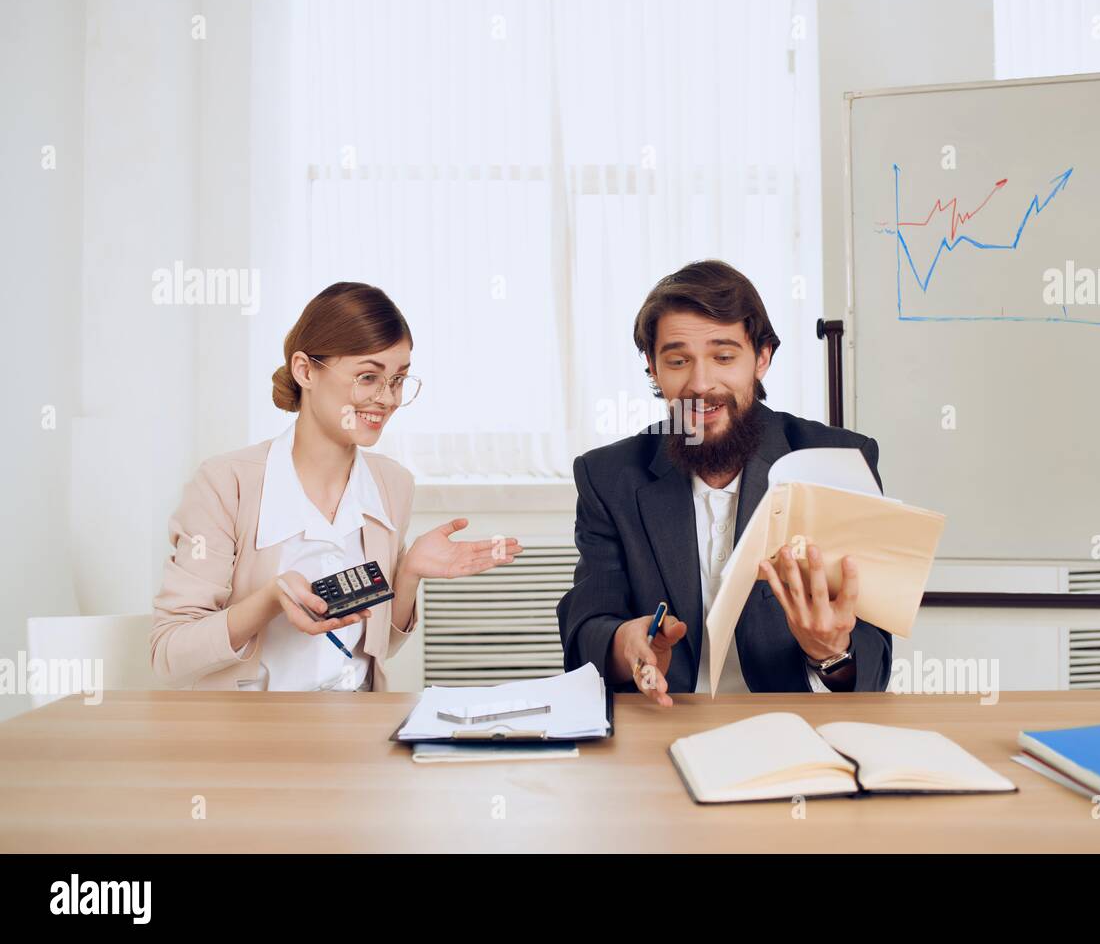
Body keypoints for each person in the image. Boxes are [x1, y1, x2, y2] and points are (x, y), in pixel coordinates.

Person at [152, 281, 521, 691]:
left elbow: (375, 648)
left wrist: (410, 572)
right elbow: (170, 654)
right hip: (250, 736)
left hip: (355, 728)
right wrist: (270, 600)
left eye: (399, 379)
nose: (387, 399)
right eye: (368, 377)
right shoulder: (226, 483)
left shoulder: (392, 483)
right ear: (305, 370)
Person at [557, 260, 890, 704]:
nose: (701, 383)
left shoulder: (839, 461)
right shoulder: (607, 476)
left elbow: (874, 660)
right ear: (653, 371)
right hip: (664, 722)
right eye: (678, 361)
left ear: (763, 358)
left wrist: (829, 653)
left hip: (792, 724)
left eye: (724, 357)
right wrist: (625, 644)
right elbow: (587, 627)